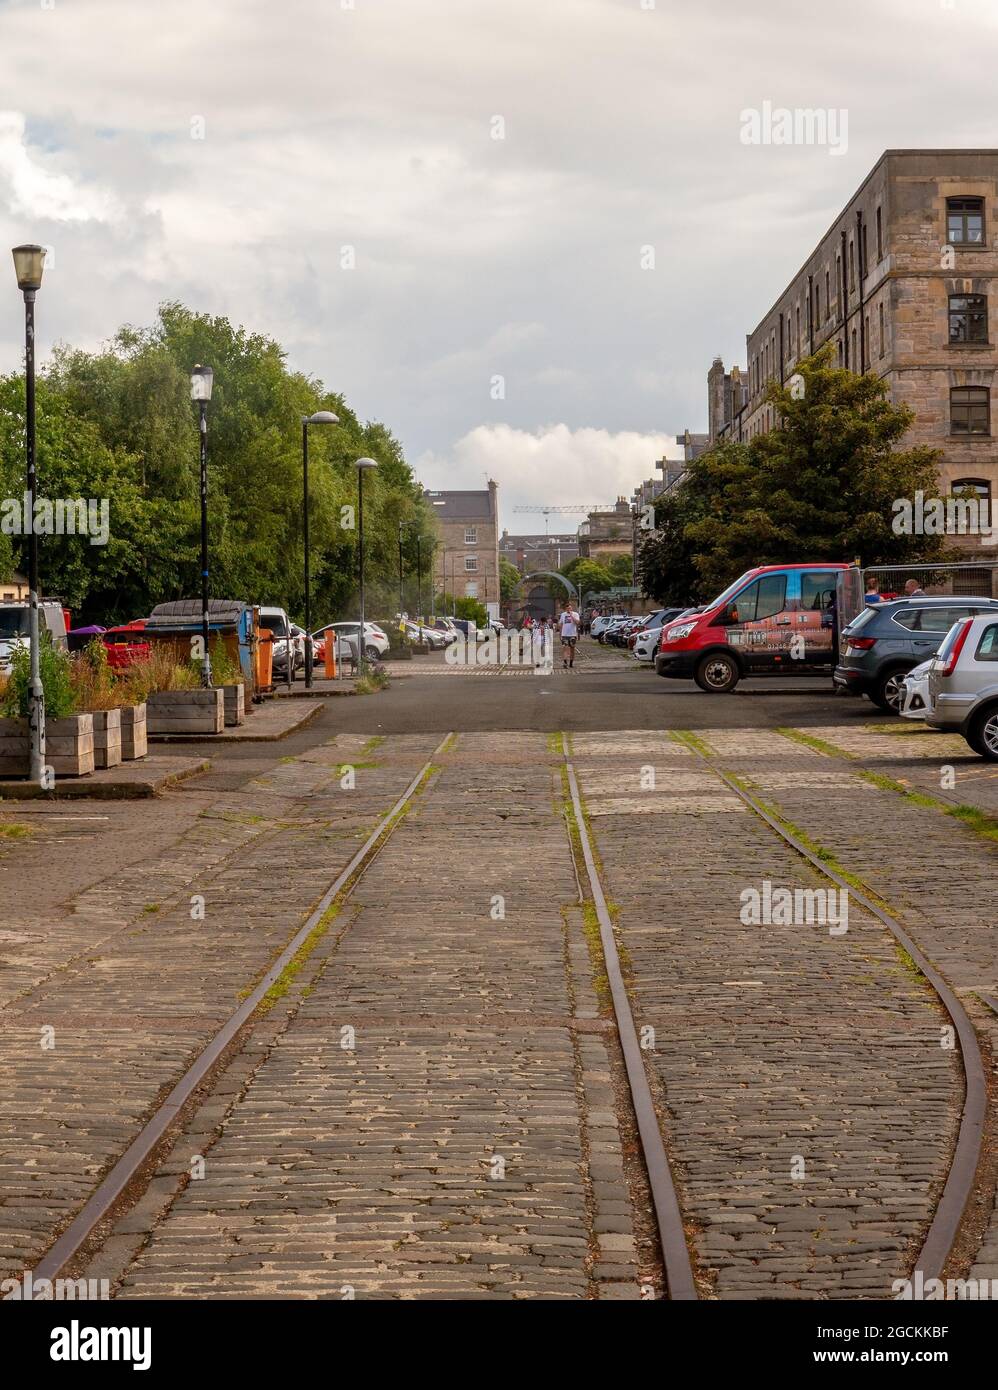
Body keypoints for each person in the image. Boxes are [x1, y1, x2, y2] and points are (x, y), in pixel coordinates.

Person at [558, 598, 580, 668]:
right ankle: (565, 662)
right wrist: (560, 634)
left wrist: (571, 615)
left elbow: (577, 622)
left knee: (572, 649)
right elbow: (560, 624)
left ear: (571, 608)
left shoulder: (575, 614)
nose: (569, 609)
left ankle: (571, 663)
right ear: (565, 609)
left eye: (570, 608)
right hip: (564, 635)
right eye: (567, 608)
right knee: (565, 648)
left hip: (572, 635)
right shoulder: (563, 615)